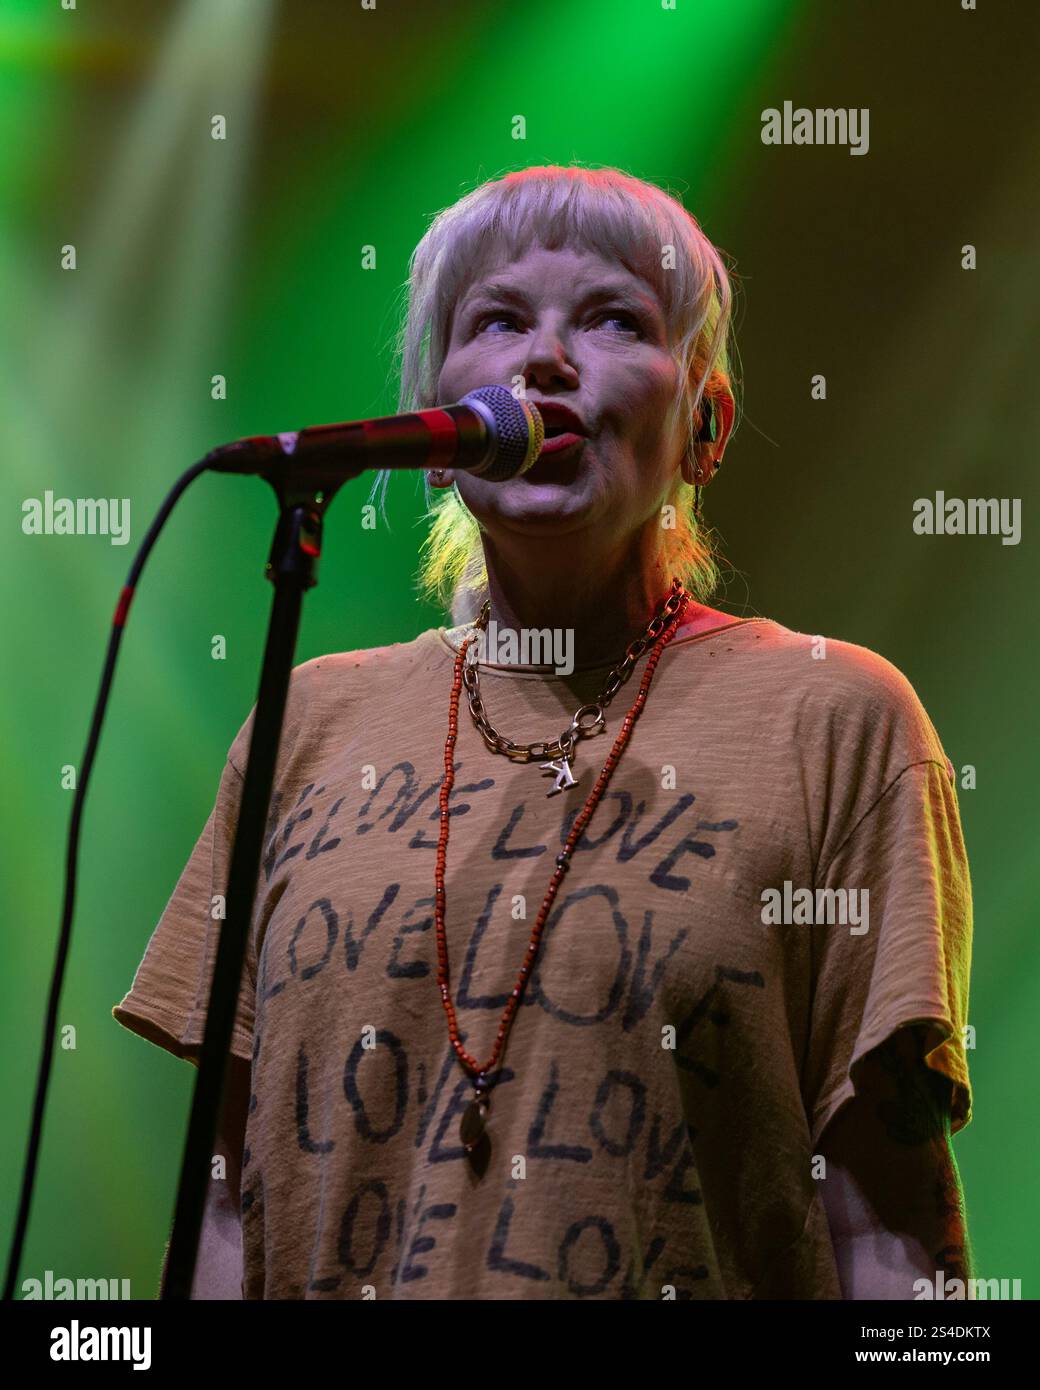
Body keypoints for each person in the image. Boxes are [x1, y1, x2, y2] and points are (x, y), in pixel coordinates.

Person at [112, 164, 973, 1300]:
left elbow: (883, 1220)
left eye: (614, 318)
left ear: (702, 426)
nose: (546, 359)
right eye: (499, 320)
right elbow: (225, 1196)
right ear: (439, 413)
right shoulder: (307, 722)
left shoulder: (834, 719)